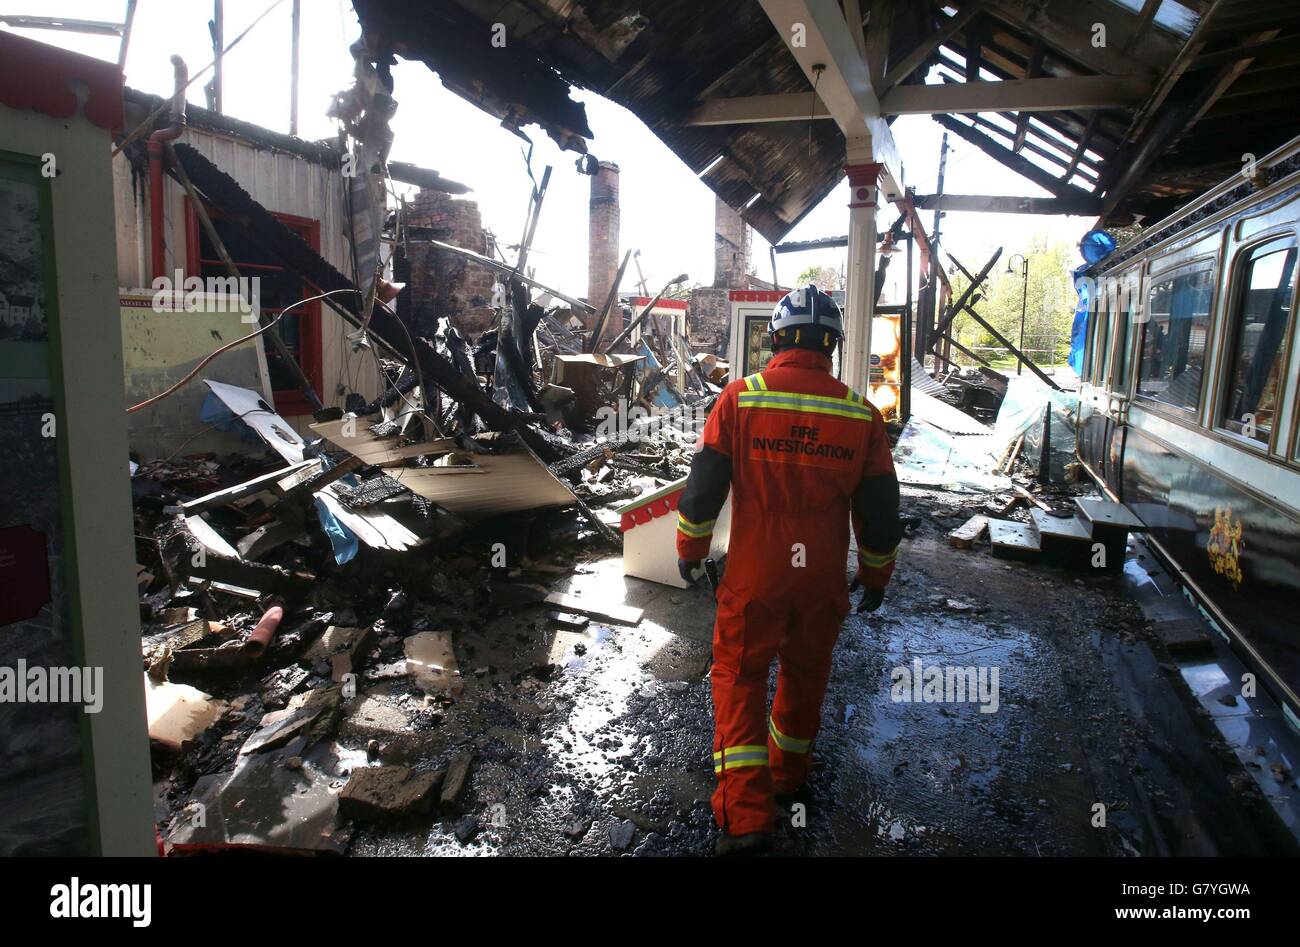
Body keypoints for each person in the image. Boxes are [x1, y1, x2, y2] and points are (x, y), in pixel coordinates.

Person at [675, 284, 902, 855]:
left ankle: (747, 815)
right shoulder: (861, 413)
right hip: (820, 577)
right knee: (805, 675)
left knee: (739, 678)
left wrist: (690, 550)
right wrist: (876, 575)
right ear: (833, 344)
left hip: (757, 575)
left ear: (775, 338)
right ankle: (788, 778)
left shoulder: (740, 399)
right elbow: (878, 512)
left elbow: (704, 489)